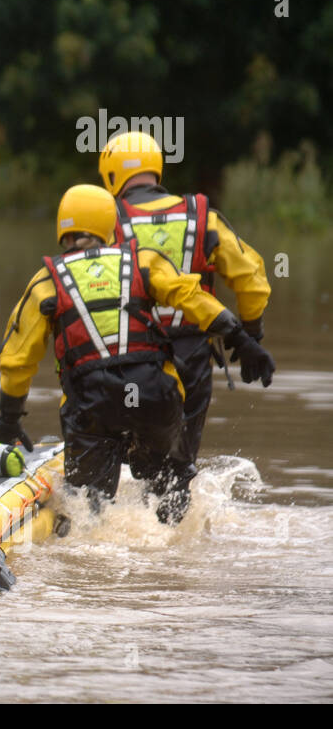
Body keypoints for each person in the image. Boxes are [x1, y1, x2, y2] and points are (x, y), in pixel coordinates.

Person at [0, 184, 275, 524]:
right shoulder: (143, 261)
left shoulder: (45, 282)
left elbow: (17, 358)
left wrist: (9, 418)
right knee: (171, 484)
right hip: (156, 396)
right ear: (111, 225)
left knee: (88, 510)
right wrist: (243, 339)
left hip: (91, 404)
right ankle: (174, 526)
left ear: (61, 229)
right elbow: (192, 297)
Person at [99, 130, 273, 502]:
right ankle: (172, 532)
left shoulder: (107, 222)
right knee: (178, 470)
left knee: (122, 459)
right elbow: (252, 279)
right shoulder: (201, 217)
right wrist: (250, 334)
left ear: (111, 174)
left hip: (129, 363)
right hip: (192, 357)